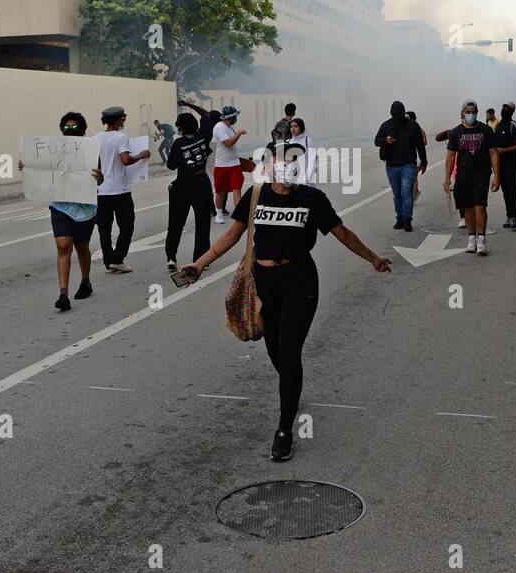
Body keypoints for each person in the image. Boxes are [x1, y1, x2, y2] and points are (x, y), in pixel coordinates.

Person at [180, 140, 391, 462]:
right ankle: (291, 388)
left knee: (290, 353)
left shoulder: (312, 199)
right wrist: (200, 263)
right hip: (263, 283)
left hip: (299, 281)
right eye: (282, 163)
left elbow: (342, 233)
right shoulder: (255, 196)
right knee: (276, 351)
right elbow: (231, 235)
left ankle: (283, 428)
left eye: (295, 164)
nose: (288, 169)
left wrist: (373, 258)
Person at [17, 112, 104, 311]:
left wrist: (100, 177)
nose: (70, 130)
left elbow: (99, 179)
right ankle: (63, 293)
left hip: (84, 209)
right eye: (66, 127)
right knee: (64, 246)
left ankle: (85, 282)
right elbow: (41, 167)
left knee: (82, 247)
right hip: (61, 206)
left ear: (82, 129)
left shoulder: (90, 150)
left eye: (74, 127)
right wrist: (27, 166)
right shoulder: (53, 149)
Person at [96, 106, 149, 274]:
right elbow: (125, 160)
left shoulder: (96, 138)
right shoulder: (121, 137)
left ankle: (108, 261)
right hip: (120, 190)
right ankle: (117, 259)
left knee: (104, 228)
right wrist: (141, 155)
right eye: (123, 119)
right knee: (127, 226)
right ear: (119, 120)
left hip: (101, 191)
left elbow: (95, 164)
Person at [443, 100, 500, 255]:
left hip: (481, 174)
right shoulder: (456, 132)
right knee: (468, 208)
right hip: (463, 175)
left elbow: (494, 153)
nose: (471, 114)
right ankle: (471, 238)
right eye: (468, 112)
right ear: (462, 113)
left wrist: (497, 176)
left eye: (473, 111)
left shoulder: (486, 130)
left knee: (480, 206)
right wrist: (447, 178)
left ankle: (481, 239)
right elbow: (450, 156)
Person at [165, 109, 216, 271]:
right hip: (201, 182)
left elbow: (171, 165)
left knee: (175, 222)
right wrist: (188, 104)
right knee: (203, 221)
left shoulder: (178, 144)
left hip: (183, 184)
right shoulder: (204, 136)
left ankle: (171, 257)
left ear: (181, 127)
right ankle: (201, 258)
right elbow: (207, 115)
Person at [375, 100, 428, 232]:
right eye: (395, 115)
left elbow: (420, 145)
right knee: (397, 193)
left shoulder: (413, 126)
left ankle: (407, 219)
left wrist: (424, 162)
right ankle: (399, 217)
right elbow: (376, 141)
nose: (397, 118)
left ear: (404, 113)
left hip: (408, 165)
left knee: (406, 192)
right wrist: (386, 141)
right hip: (391, 166)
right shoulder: (386, 125)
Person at [211, 105, 247, 224]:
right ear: (231, 117)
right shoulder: (219, 127)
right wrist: (239, 134)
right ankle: (219, 214)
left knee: (237, 189)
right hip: (221, 165)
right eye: (235, 116)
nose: (236, 118)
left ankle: (239, 214)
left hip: (234, 164)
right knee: (220, 191)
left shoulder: (230, 127)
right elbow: (228, 143)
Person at [494, 102, 516, 230]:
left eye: (507, 108)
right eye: (503, 108)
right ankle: (509, 215)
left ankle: (514, 217)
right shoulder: (498, 126)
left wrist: (503, 150)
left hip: (512, 163)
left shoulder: (515, 126)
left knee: (512, 188)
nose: (504, 110)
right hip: (500, 163)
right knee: (505, 189)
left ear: (512, 111)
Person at [406, 110, 427, 202]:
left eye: (407, 118)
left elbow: (424, 142)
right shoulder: (405, 129)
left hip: (417, 156)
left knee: (414, 178)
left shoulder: (418, 129)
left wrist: (416, 143)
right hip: (409, 156)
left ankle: (412, 199)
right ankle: (415, 192)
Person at [288, 117, 316, 185]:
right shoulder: (288, 142)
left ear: (301, 127)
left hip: (306, 179)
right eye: (291, 127)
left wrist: (306, 179)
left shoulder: (308, 141)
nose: (293, 128)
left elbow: (312, 161)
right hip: (292, 180)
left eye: (295, 126)